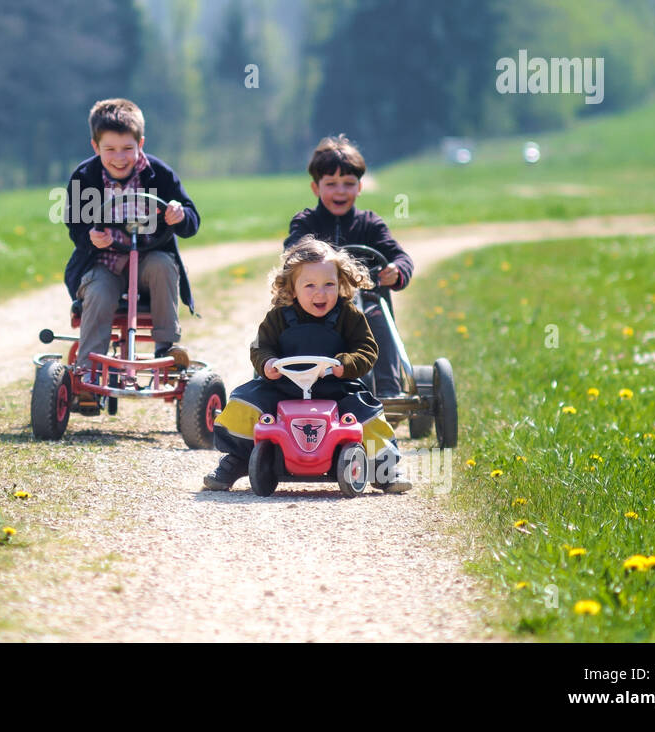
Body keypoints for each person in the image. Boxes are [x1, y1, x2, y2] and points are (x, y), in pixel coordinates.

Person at [203, 237, 410, 492]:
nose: (320, 293)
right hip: (283, 387)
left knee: (369, 416)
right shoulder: (279, 315)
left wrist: (344, 365)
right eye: (309, 285)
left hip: (336, 387)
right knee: (243, 403)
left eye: (329, 284)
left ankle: (384, 469)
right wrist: (268, 363)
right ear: (292, 288)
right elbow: (260, 346)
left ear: (341, 283)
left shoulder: (349, 315)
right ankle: (237, 459)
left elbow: (367, 349)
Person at [62, 99, 200, 382]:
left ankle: (168, 350)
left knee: (164, 264)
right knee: (99, 292)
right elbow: (74, 224)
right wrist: (90, 236)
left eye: (128, 149)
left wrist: (179, 216)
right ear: (95, 147)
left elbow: (191, 218)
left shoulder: (159, 174)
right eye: (109, 149)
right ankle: (88, 370)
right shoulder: (85, 176)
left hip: (149, 259)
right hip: (104, 261)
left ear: (141, 143)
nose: (119, 157)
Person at [285, 134, 415, 398]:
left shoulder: (370, 224)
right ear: (315, 188)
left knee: (376, 319)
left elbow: (400, 257)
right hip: (316, 302)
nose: (340, 191)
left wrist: (396, 271)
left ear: (359, 187)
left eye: (348, 183)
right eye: (331, 184)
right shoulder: (306, 223)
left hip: (366, 302)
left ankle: (388, 389)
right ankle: (302, 383)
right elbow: (292, 253)